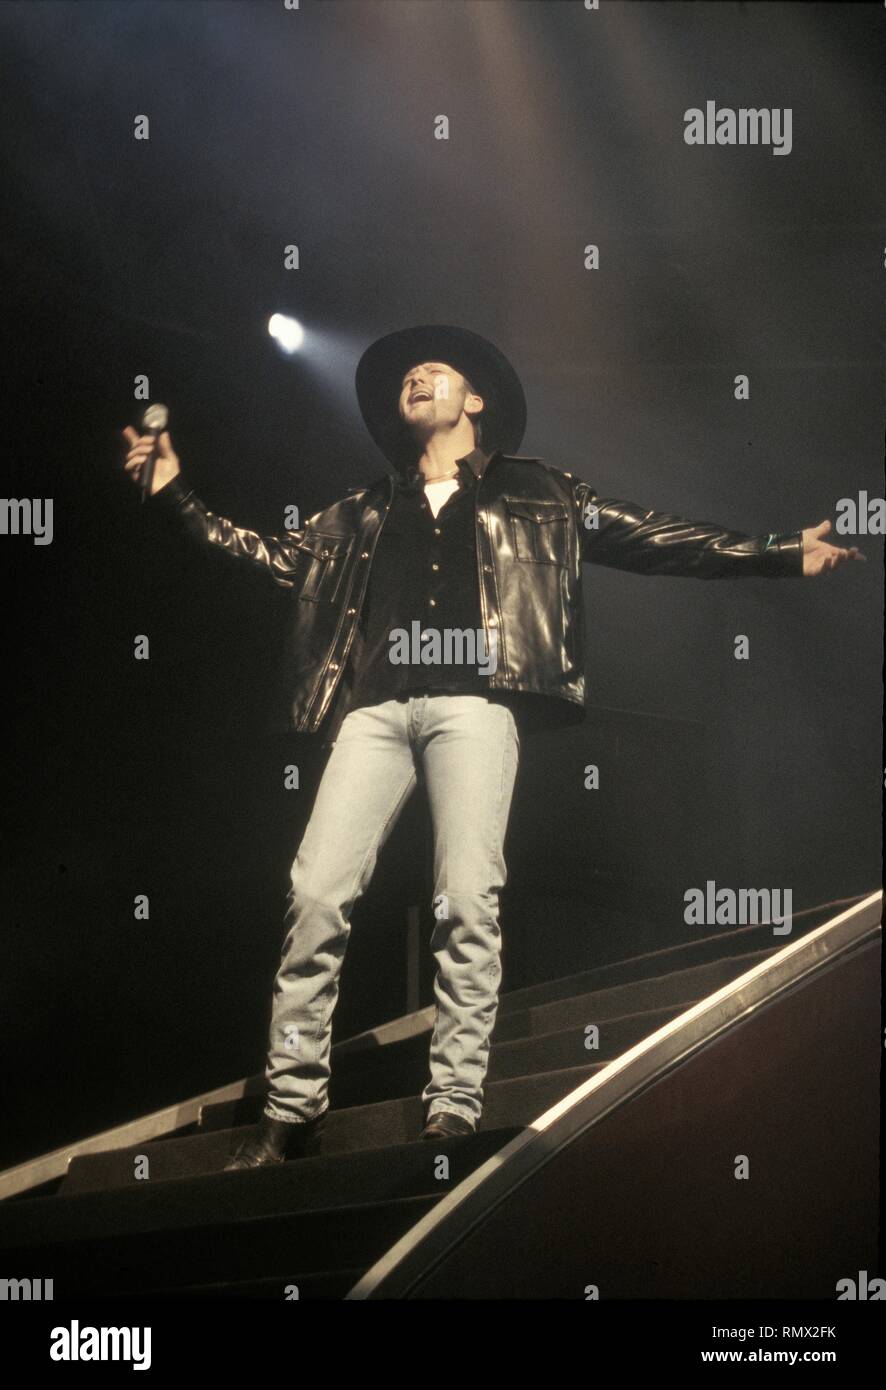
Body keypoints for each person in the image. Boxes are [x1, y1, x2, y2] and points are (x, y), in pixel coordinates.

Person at [121, 324, 863, 1167]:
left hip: (475, 705)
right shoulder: (356, 513)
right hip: (371, 712)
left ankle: (454, 1106)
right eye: (406, 372)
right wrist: (177, 494)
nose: (417, 374)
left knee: (467, 899)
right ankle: (292, 1112)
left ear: (474, 403)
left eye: (436, 369)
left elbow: (651, 535)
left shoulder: (538, 490)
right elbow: (264, 555)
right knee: (315, 894)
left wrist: (770, 551)